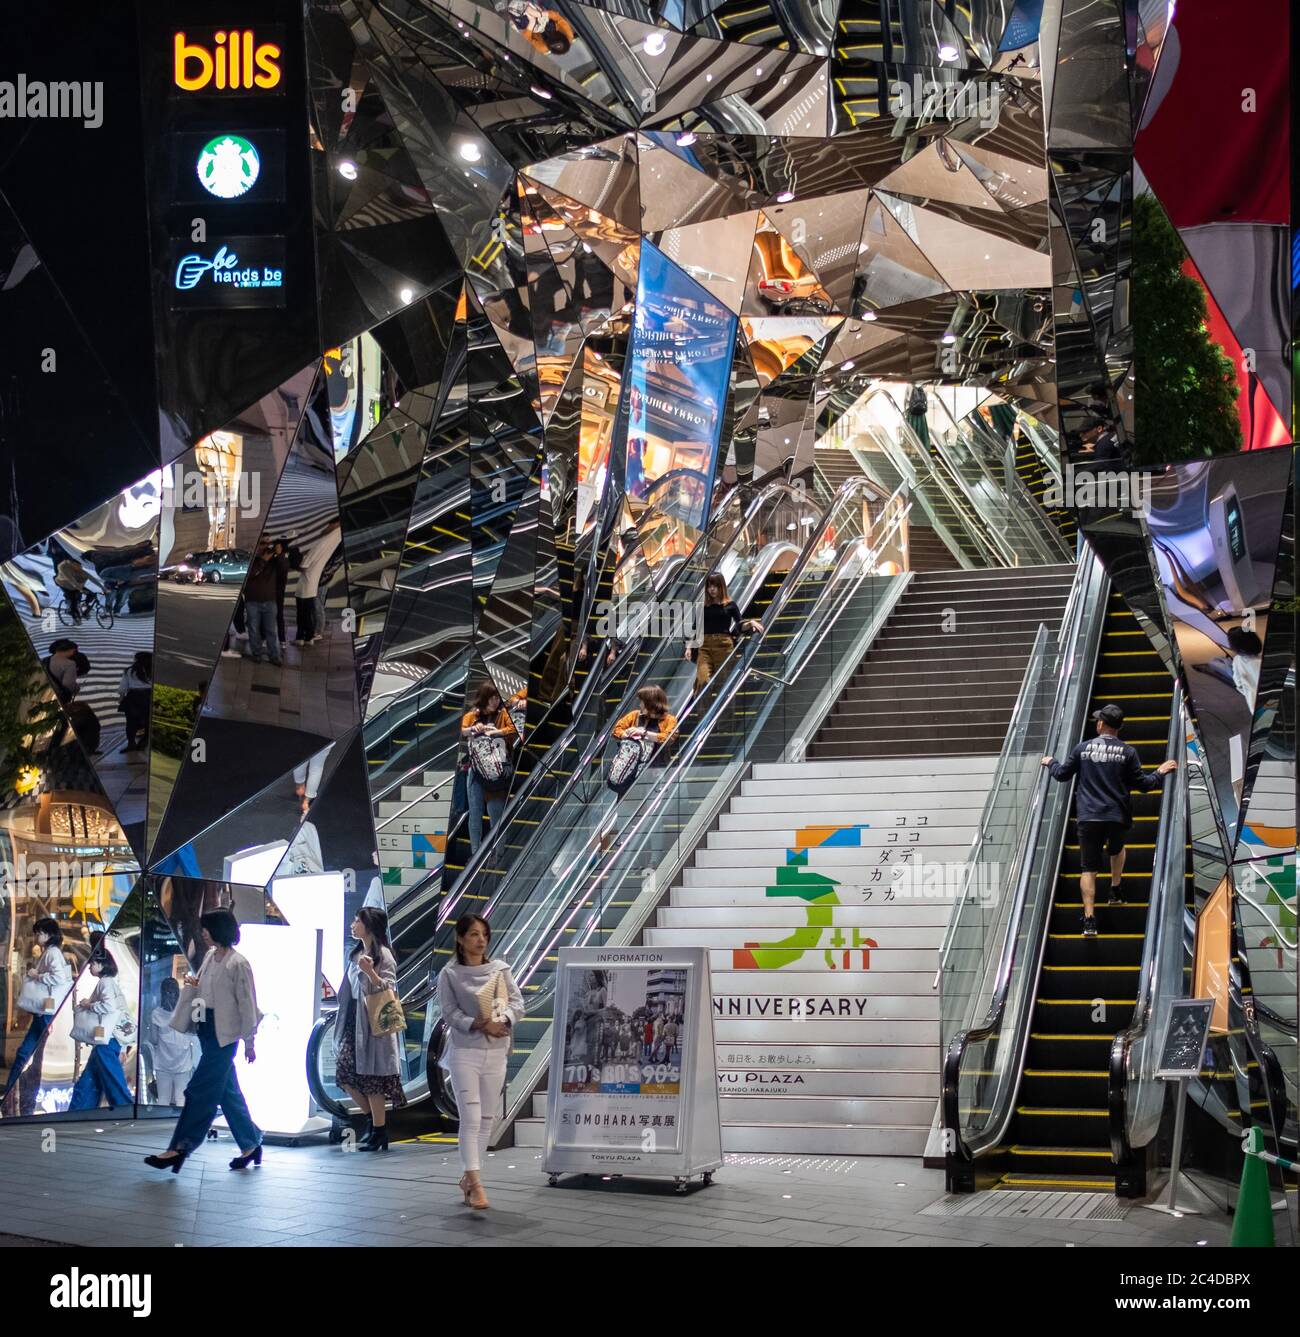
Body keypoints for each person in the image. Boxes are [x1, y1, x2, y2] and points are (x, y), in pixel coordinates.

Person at [1042, 704, 1177, 937]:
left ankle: (1089, 920)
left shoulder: (1082, 749)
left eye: (1098, 720)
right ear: (1120, 727)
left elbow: (1062, 774)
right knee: (1117, 849)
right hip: (1116, 816)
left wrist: (1050, 762)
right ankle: (1115, 890)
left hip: (1089, 816)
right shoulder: (1128, 752)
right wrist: (1160, 771)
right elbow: (1144, 785)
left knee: (1089, 868)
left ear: (1101, 724)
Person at [144, 909, 262, 1173]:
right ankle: (251, 1143)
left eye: (207, 928)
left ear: (219, 929)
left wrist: (250, 1042)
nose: (204, 933)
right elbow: (205, 989)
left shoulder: (238, 963)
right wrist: (192, 984)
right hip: (207, 1030)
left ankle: (179, 1147)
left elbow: (247, 1004)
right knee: (227, 1093)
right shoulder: (210, 956)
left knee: (199, 1091)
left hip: (225, 1037)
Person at [436, 914, 524, 1210]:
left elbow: (517, 1003)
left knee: (487, 1118)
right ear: (460, 939)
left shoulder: (500, 969)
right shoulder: (449, 974)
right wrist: (480, 1024)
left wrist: (504, 1020)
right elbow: (449, 1013)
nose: (481, 940)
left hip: (497, 1051)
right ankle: (476, 1185)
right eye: (474, 934)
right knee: (471, 1118)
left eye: (484, 934)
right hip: (465, 1052)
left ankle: (469, 1177)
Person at [333, 908, 405, 1152]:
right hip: (354, 1019)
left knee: (373, 1077)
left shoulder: (383, 955)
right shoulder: (355, 954)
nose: (353, 925)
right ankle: (371, 1122)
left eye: (357, 921)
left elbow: (389, 989)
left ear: (370, 925)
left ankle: (378, 1131)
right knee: (344, 1073)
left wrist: (370, 972)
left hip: (373, 1022)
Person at [1, 919, 73, 1106]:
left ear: (48, 934)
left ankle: (14, 1092)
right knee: (25, 1053)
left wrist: (36, 975)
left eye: (39, 933)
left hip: (46, 1012)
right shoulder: (50, 952)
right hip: (43, 1012)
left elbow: (58, 978)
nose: (36, 936)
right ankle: (12, 1092)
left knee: (31, 1054)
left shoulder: (52, 953)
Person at [67, 942, 134, 1111]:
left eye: (92, 963)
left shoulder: (105, 983)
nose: (90, 966)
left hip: (107, 1042)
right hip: (108, 1041)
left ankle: (124, 1112)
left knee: (111, 1084)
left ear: (102, 965)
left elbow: (109, 1007)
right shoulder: (110, 983)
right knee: (90, 1083)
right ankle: (78, 1113)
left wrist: (89, 1005)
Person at [460, 683, 517, 853]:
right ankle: (475, 853)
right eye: (492, 698)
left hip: (497, 772)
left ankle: (498, 854)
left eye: (497, 697)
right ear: (484, 699)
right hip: (477, 771)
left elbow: (513, 729)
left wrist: (494, 732)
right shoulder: (473, 715)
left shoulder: (503, 714)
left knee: (496, 814)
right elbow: (462, 730)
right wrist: (473, 728)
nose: (495, 701)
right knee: (475, 813)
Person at [686, 573, 759, 689]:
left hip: (724, 645)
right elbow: (695, 628)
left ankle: (726, 701)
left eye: (715, 586)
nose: (712, 589)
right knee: (702, 681)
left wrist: (750, 623)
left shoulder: (730, 605)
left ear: (722, 587)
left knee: (724, 683)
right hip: (704, 646)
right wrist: (689, 647)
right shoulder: (703, 607)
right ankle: (702, 702)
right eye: (709, 586)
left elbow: (740, 624)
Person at [150, 977, 200, 1107]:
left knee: (163, 1099)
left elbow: (154, 1040)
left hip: (162, 1064)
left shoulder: (156, 1014)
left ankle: (162, 1121)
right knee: (181, 1099)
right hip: (183, 1064)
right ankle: (181, 1121)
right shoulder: (185, 1011)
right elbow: (194, 1033)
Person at [242, 539, 288, 667]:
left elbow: (284, 569)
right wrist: (263, 560)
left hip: (270, 602)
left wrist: (280, 555)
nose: (266, 547)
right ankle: (256, 654)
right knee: (253, 629)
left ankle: (274, 656)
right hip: (252, 601)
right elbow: (249, 574)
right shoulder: (250, 559)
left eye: (268, 544)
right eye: (262, 544)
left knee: (271, 631)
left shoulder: (274, 560)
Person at [118, 650, 152, 754]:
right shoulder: (153, 670)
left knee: (130, 723)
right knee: (148, 722)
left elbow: (123, 688)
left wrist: (121, 699)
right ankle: (144, 743)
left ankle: (131, 744)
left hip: (133, 697)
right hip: (149, 696)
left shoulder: (129, 671)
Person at [54, 555, 92, 622]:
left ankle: (83, 606)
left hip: (74, 584)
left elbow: (89, 577)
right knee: (73, 598)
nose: (80, 566)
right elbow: (71, 580)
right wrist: (80, 589)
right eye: (78, 565)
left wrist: (103, 588)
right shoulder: (63, 567)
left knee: (88, 594)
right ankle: (75, 617)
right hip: (64, 584)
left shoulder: (75, 566)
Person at [45, 638, 80, 703]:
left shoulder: (46, 660)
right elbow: (68, 684)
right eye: (74, 651)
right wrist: (76, 688)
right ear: (69, 649)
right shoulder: (70, 664)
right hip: (61, 697)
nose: (73, 654)